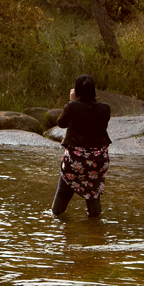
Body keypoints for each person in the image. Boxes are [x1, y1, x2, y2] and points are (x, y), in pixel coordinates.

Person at [52, 75, 111, 219]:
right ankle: (95, 226)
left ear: (77, 91)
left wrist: (73, 102)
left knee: (63, 194)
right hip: (98, 161)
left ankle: (56, 216)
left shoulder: (72, 107)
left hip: (75, 161)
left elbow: (61, 123)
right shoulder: (105, 108)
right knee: (93, 192)